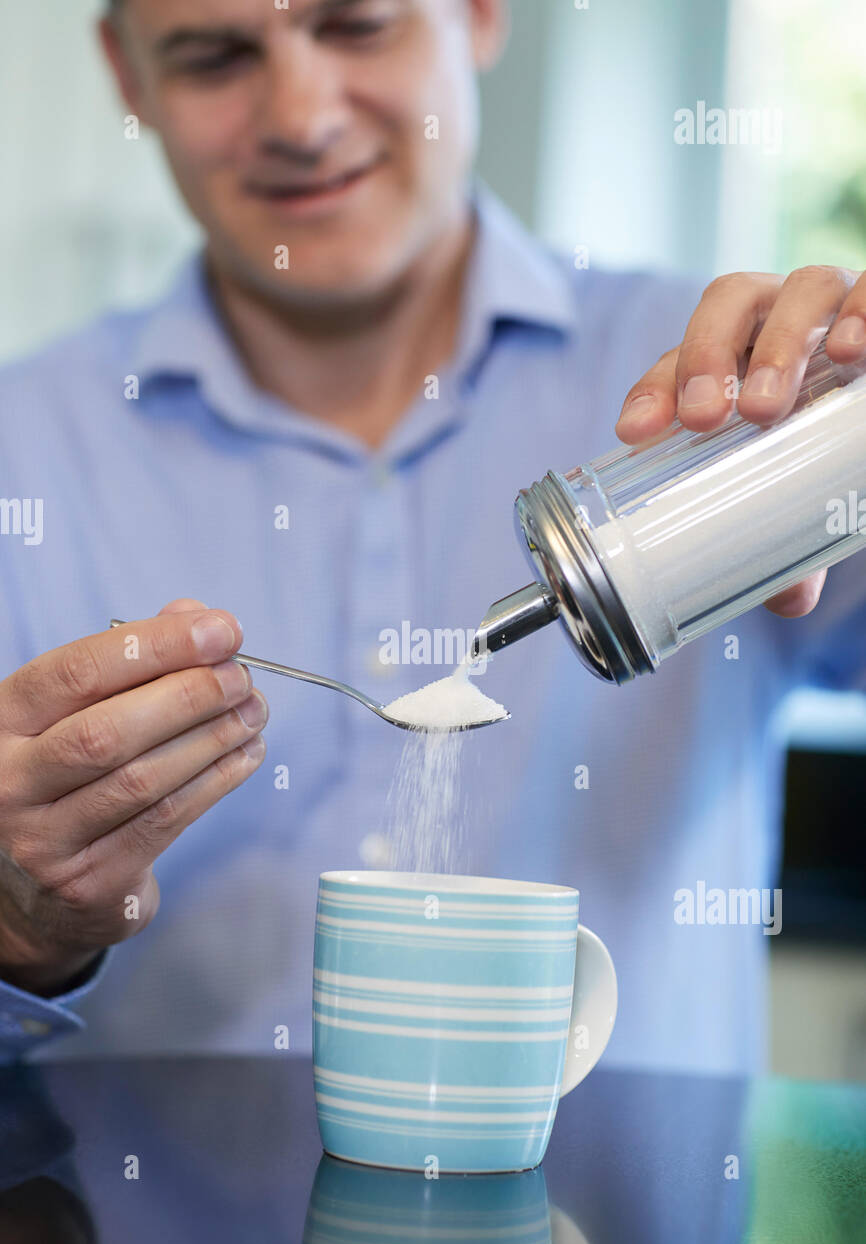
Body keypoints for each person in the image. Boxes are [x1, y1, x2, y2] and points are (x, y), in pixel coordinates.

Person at [0, 0, 863, 1071]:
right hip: (111, 1240)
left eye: (356, 25)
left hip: (614, 1233)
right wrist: (21, 931)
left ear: (478, 12)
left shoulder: (725, 401)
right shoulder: (23, 450)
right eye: (216, 55)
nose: (302, 116)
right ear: (126, 75)